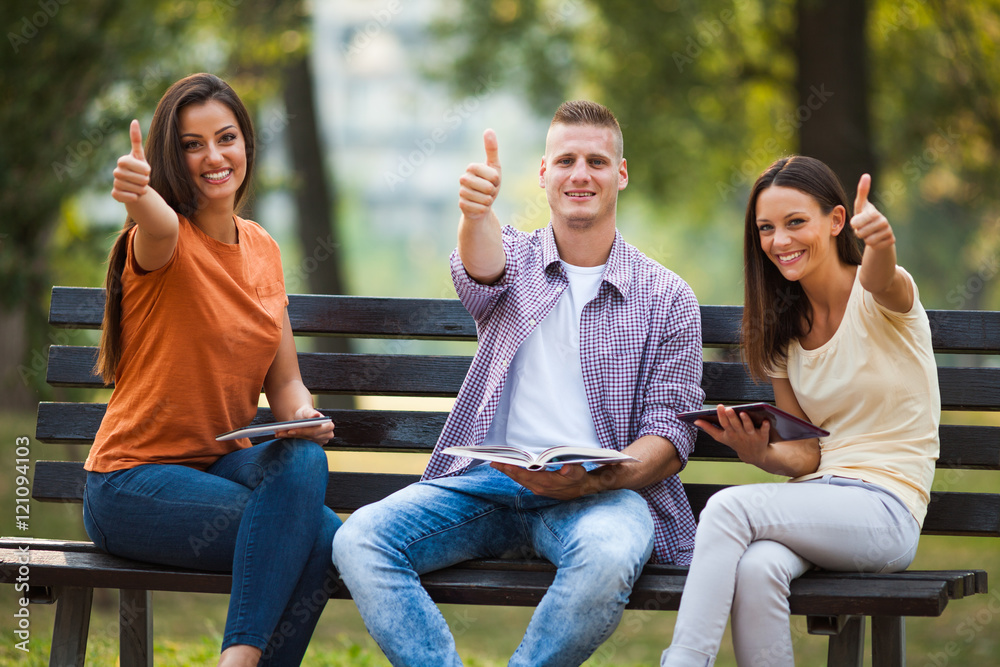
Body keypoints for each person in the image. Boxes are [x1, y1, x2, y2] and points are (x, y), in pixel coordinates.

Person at [332, 100, 705, 666]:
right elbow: (482, 269)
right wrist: (476, 214)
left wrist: (589, 482)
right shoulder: (516, 258)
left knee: (608, 559)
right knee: (358, 540)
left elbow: (671, 436)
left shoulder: (667, 297)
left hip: (601, 497)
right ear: (544, 173)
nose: (581, 174)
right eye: (566, 160)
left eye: (597, 162)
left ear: (621, 174)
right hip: (491, 483)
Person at [83, 73, 341, 667]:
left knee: (308, 472)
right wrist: (138, 193)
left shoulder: (264, 249)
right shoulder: (164, 238)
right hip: (129, 483)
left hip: (220, 466)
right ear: (171, 158)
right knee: (310, 538)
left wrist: (302, 417)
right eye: (191, 145)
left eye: (225, 138)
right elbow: (156, 221)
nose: (213, 157)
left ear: (246, 143)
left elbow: (285, 384)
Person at [660, 156, 940, 667]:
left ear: (836, 222)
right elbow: (809, 454)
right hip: (821, 500)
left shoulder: (880, 298)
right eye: (766, 228)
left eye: (795, 223)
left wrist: (882, 241)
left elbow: (884, 278)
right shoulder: (785, 333)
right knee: (757, 567)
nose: (779, 241)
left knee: (727, 508)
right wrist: (761, 453)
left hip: (888, 511)